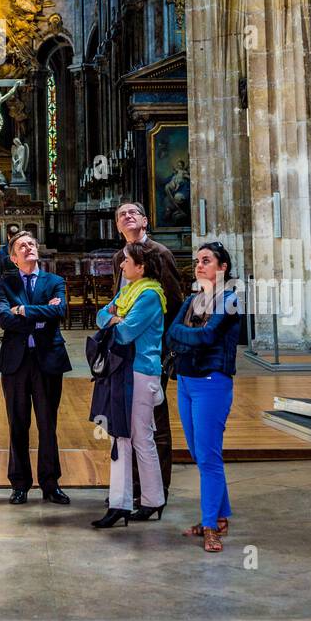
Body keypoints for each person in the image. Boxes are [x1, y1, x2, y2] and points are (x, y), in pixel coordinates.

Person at [167, 240, 242, 553]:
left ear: (222, 267)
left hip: (212, 381)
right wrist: (189, 338)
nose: (199, 265)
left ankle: (211, 527)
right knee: (199, 453)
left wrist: (187, 338)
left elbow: (208, 335)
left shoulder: (230, 300)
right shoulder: (193, 299)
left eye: (207, 260)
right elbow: (172, 331)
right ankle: (221, 516)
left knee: (210, 457)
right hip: (185, 379)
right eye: (197, 260)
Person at [112, 200, 184, 501]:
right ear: (118, 227)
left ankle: (157, 489)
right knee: (127, 422)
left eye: (133, 213)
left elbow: (175, 306)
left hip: (151, 354)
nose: (127, 217)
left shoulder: (160, 254)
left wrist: (167, 352)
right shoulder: (121, 256)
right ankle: (132, 488)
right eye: (121, 215)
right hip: (125, 353)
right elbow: (117, 301)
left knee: (155, 422)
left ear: (145, 220)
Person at [92, 241, 167, 528]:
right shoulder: (128, 291)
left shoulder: (148, 295)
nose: (122, 265)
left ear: (141, 266)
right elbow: (102, 317)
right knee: (120, 437)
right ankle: (124, 502)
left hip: (139, 372)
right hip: (121, 371)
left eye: (126, 261)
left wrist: (113, 321)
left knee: (138, 438)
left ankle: (147, 499)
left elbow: (124, 333)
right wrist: (113, 318)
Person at [0, 231, 72, 505]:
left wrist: (24, 311)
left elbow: (60, 312)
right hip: (15, 362)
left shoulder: (55, 281)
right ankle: (19, 484)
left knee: (47, 424)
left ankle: (50, 483)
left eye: (31, 244)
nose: (28, 248)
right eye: (21, 246)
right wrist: (40, 313)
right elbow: (4, 319)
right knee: (18, 424)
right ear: (14, 258)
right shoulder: (6, 283)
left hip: (48, 360)